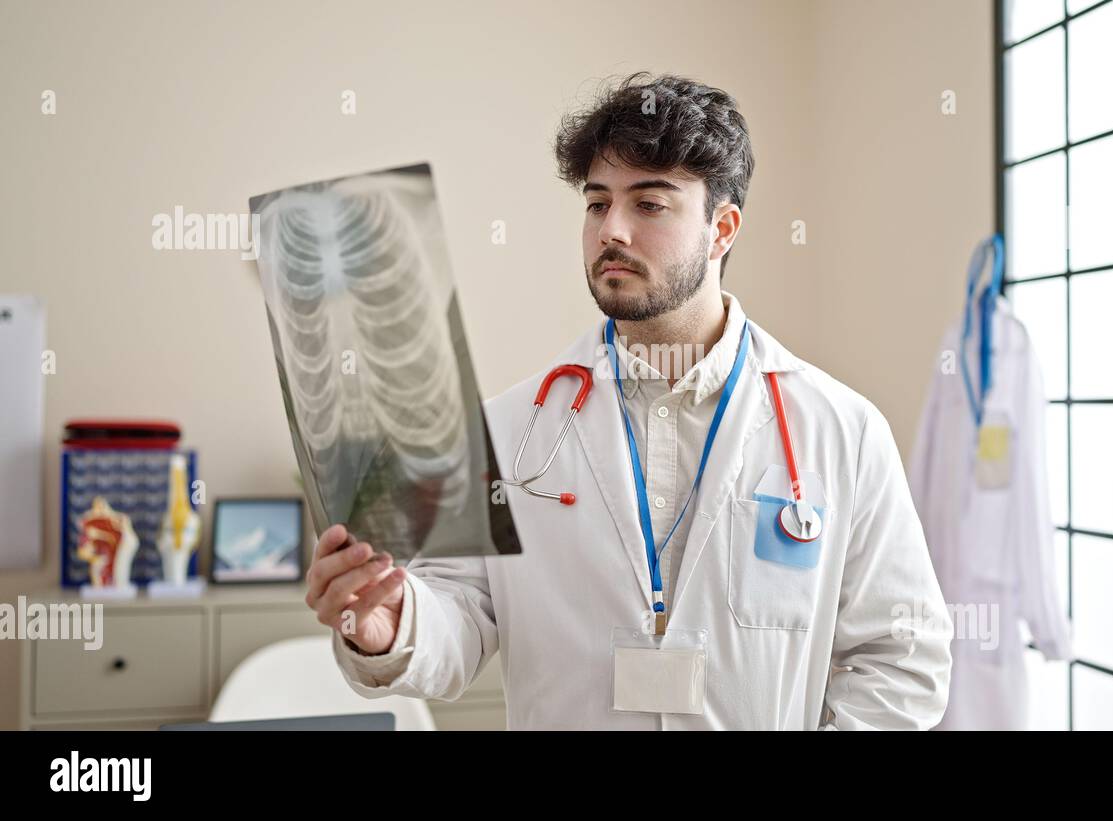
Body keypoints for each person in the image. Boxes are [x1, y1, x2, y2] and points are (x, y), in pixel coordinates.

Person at [304, 73, 953, 729]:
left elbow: (903, 658)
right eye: (596, 204)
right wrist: (391, 623)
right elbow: (459, 614)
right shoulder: (510, 430)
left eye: (649, 204)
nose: (611, 230)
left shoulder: (841, 431)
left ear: (722, 228)